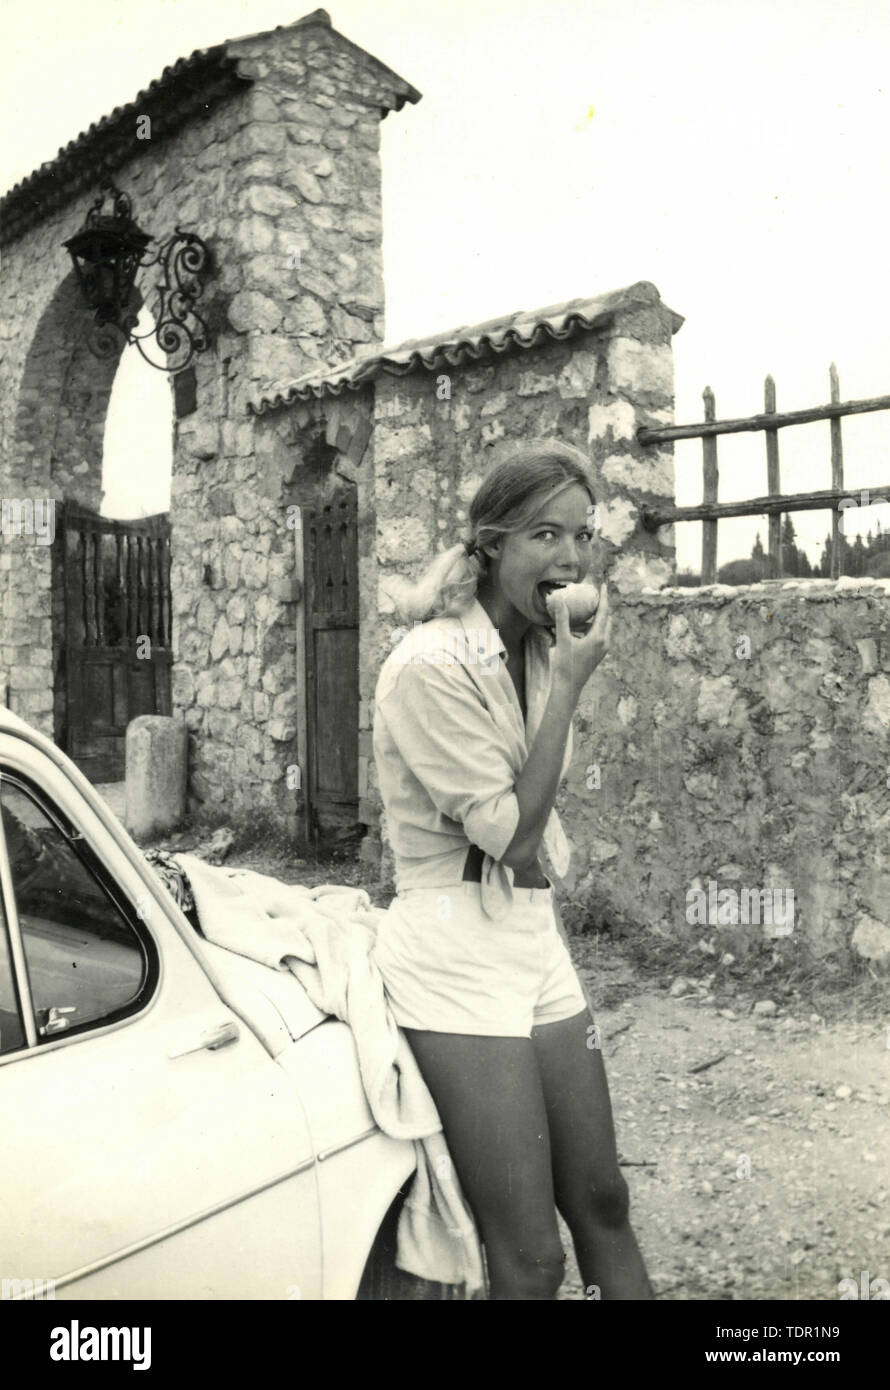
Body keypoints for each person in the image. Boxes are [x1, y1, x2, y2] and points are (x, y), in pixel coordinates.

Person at [371, 438, 656, 1300]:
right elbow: (513, 839)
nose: (570, 558)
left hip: (531, 935)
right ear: (492, 546)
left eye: (580, 537)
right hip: (451, 950)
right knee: (530, 1252)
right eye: (545, 535)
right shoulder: (427, 666)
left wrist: (559, 672)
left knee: (603, 1198)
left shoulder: (534, 648)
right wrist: (571, 684)